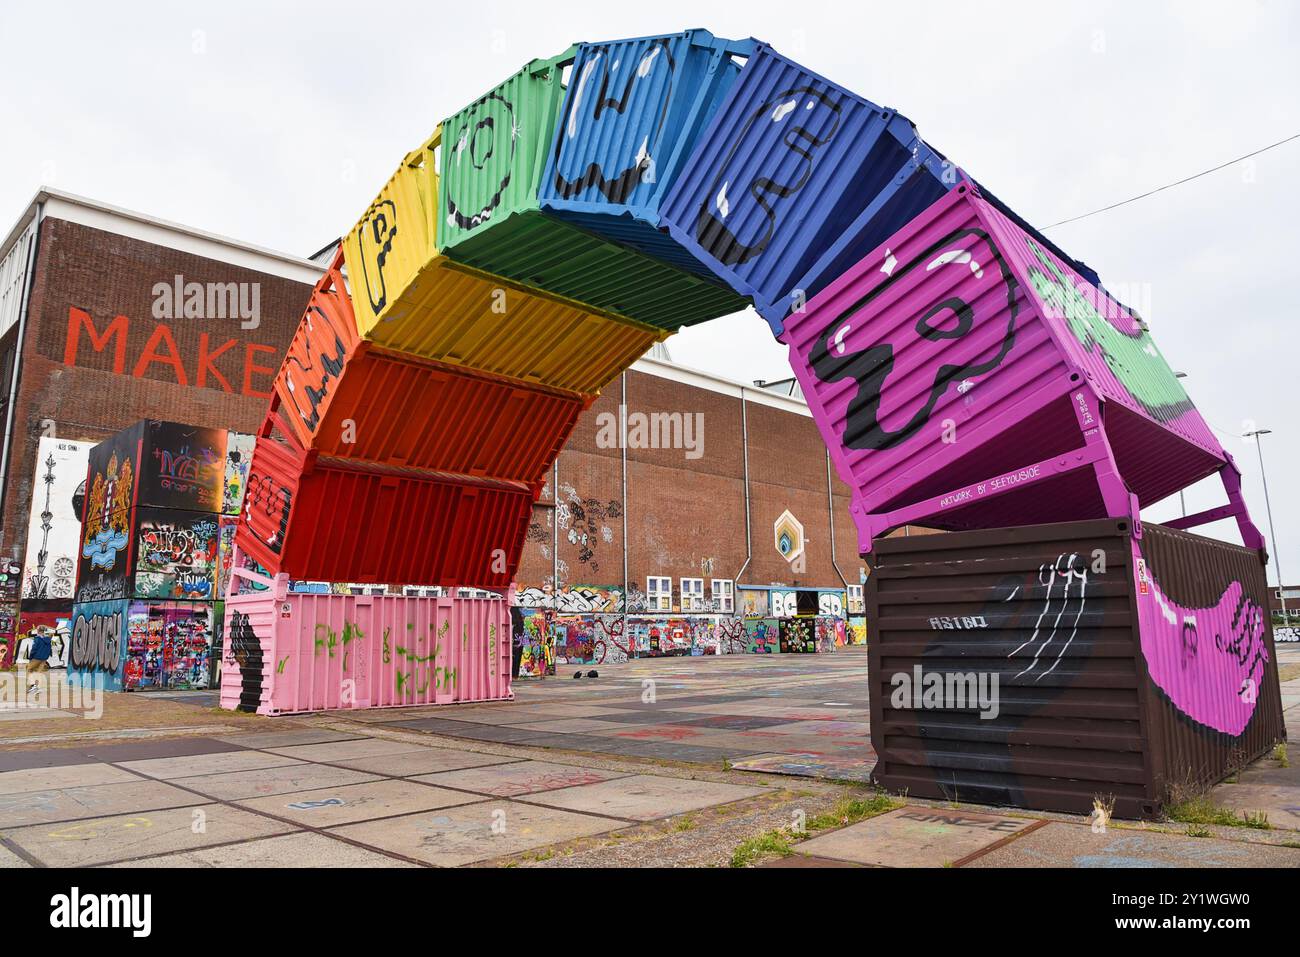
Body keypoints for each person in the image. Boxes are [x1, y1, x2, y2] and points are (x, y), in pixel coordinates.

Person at [25, 626, 53, 697]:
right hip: (44, 658)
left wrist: (31, 657)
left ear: (38, 631)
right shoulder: (48, 639)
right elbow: (49, 649)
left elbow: (34, 648)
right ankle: (38, 687)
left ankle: (33, 685)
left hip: (36, 657)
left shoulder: (37, 639)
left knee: (29, 669)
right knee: (38, 672)